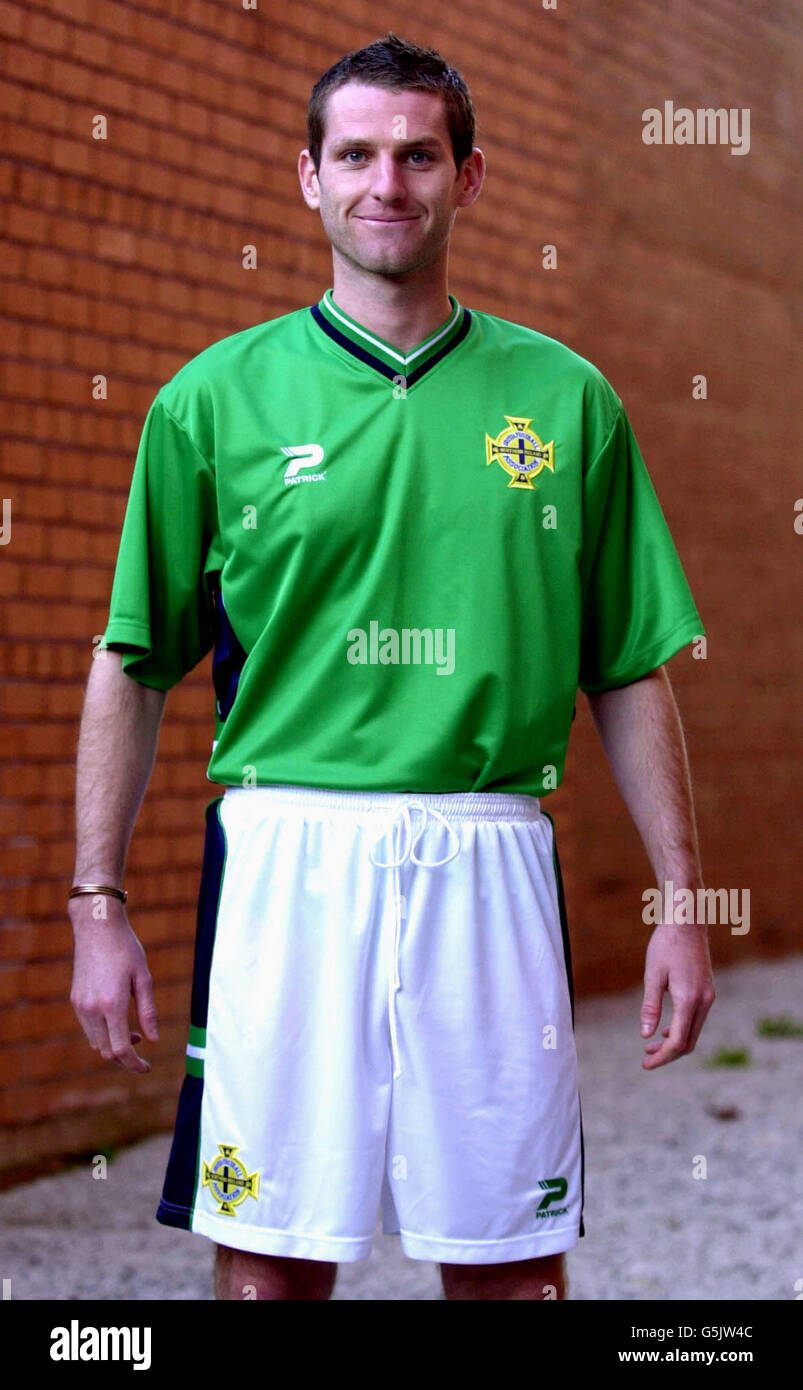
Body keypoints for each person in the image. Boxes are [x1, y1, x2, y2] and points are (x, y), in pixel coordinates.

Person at [69, 32, 715, 1302]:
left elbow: (630, 669)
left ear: (467, 178)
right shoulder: (210, 401)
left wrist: (681, 900)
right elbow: (131, 662)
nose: (386, 183)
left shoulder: (566, 399)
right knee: (268, 1267)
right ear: (304, 177)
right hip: (284, 857)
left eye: (418, 155)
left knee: (508, 1270)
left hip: (488, 849)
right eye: (354, 154)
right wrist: (98, 903)